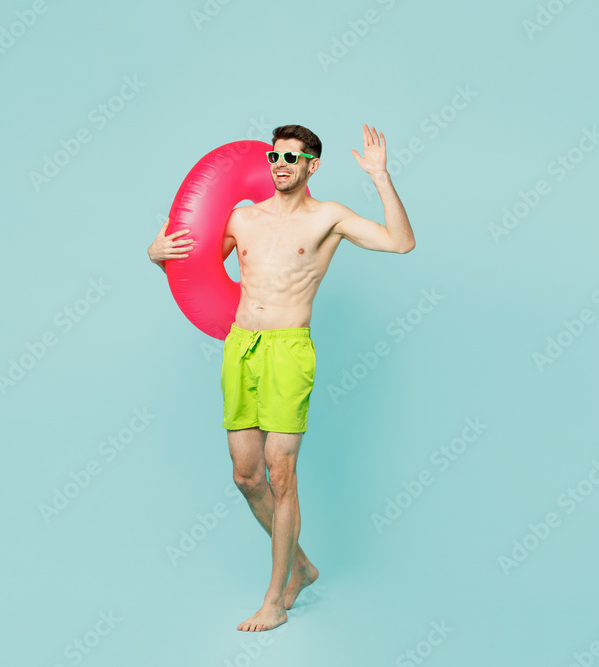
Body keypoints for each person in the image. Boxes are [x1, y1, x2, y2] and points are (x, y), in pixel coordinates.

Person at [147, 124, 415, 632]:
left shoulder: (328, 217)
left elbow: (401, 243)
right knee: (246, 476)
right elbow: (190, 268)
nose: (281, 163)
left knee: (280, 472)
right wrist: (154, 256)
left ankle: (275, 598)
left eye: (293, 157)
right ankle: (303, 566)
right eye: (276, 155)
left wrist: (380, 177)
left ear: (312, 165)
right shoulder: (242, 219)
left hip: (288, 350)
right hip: (241, 346)